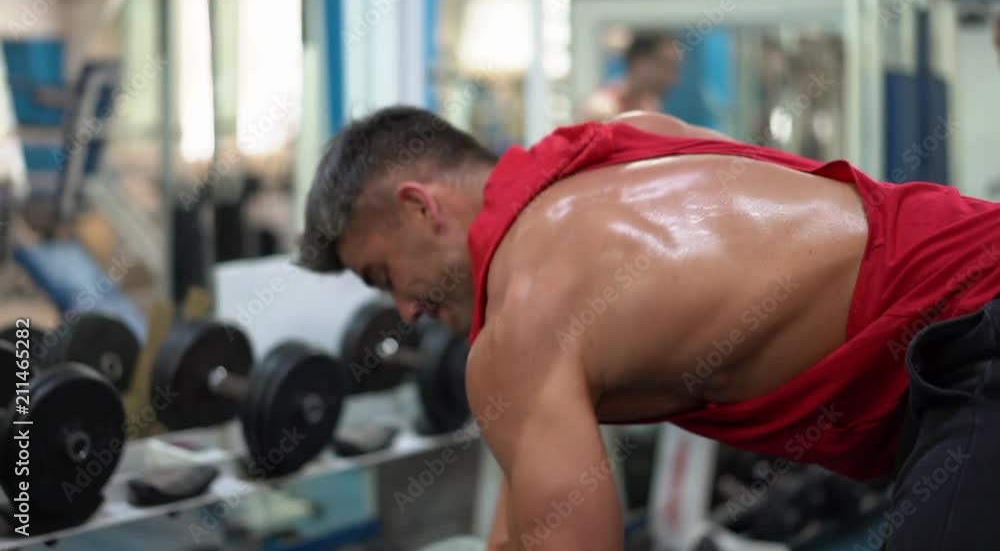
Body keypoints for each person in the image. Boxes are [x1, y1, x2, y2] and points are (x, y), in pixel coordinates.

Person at [298, 105, 1000, 551]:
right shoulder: (627, 139)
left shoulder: (518, 328)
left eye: (384, 276)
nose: (406, 313)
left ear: (421, 207)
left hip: (976, 343)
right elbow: (526, 511)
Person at [579, 31, 682, 121]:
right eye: (665, 65)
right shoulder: (601, 108)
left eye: (674, 68)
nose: (671, 78)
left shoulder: (650, 105)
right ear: (639, 61)